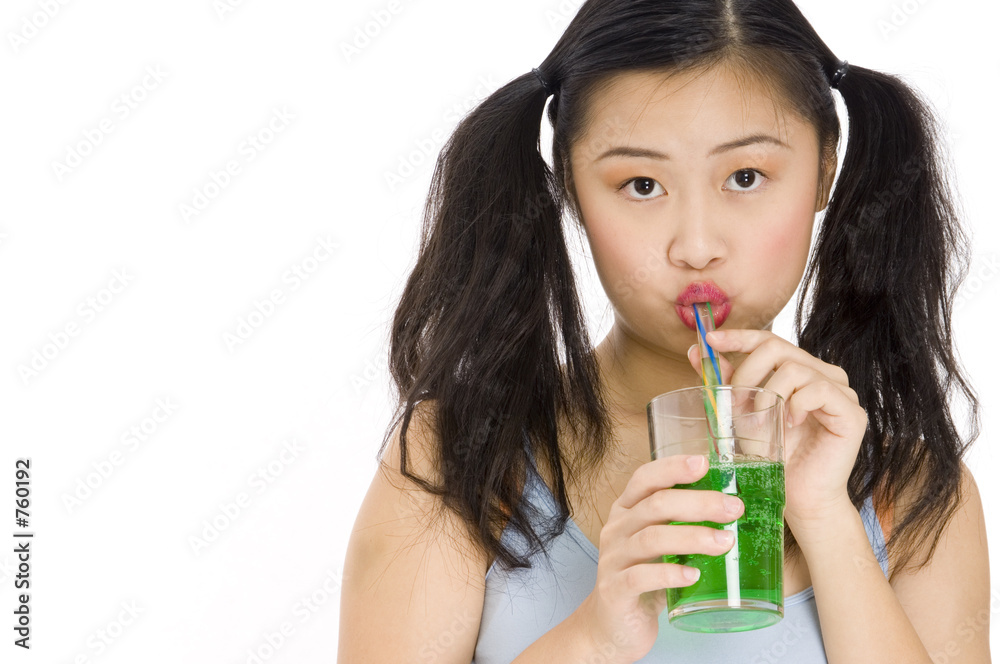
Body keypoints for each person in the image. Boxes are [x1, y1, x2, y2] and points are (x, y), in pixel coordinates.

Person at [338, 0, 990, 662]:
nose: (697, 245)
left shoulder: (915, 493)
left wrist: (828, 521)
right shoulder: (461, 456)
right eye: (642, 184)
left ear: (825, 169)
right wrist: (591, 638)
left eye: (745, 176)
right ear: (570, 187)